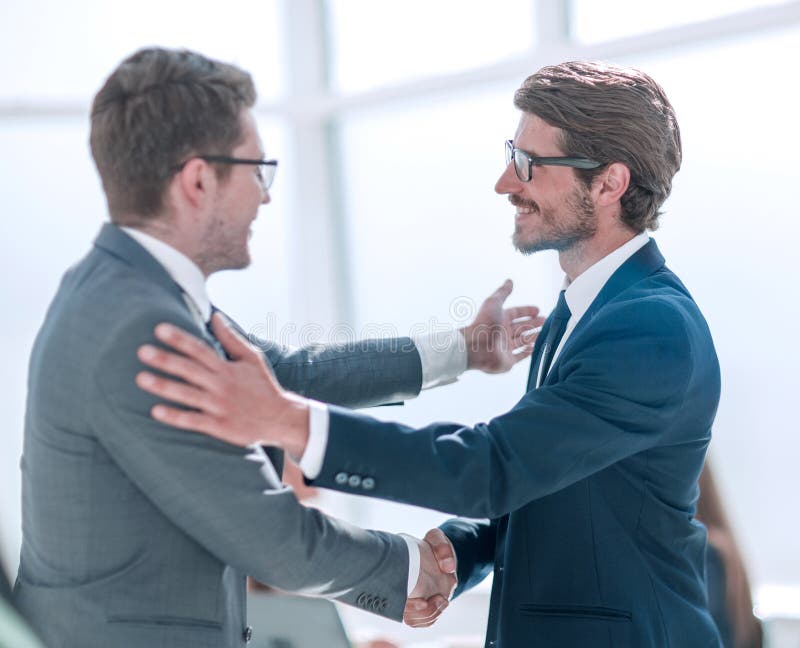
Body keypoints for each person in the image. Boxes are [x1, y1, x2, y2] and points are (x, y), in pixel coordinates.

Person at [138, 61, 723, 647]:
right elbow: (548, 484)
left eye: (528, 164)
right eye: (509, 155)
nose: (505, 183)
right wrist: (461, 549)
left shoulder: (649, 326)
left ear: (608, 184)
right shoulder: (583, 312)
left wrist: (289, 423)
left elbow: (493, 467)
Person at [14, 47, 543, 648]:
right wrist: (411, 569)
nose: (265, 197)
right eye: (256, 171)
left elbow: (288, 374)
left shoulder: (133, 290)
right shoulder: (141, 326)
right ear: (198, 180)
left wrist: (465, 349)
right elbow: (268, 535)